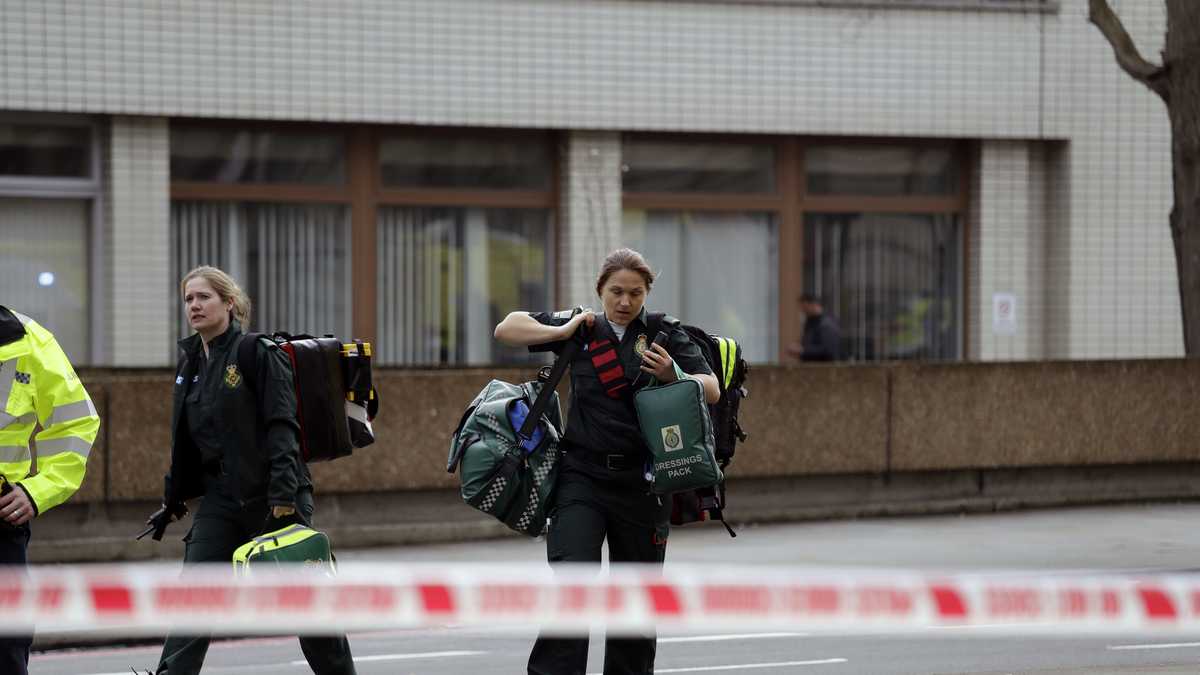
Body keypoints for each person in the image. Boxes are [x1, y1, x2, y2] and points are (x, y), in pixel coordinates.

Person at [494, 248, 719, 675]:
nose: (625, 301)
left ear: (647, 293)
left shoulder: (664, 333)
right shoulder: (582, 326)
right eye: (616, 291)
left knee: (635, 601)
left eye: (635, 293)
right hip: (582, 476)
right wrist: (562, 330)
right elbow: (507, 328)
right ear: (600, 290)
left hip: (644, 482)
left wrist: (674, 375)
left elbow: (711, 388)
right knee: (573, 584)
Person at [151, 266, 356, 675]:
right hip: (221, 499)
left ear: (229, 302)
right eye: (188, 299)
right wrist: (173, 498)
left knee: (308, 607)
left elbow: (283, 426)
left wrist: (283, 497)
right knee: (194, 595)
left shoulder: (256, 352)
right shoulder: (190, 363)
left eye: (204, 297)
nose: (194, 306)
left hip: (274, 495)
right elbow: (186, 439)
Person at [0, 306, 99, 675]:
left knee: (6, 641)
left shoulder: (27, 338)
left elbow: (75, 421)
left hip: (1, 516)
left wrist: (38, 490)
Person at [787, 292, 842, 362]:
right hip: (810, 365)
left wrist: (803, 350)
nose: (803, 311)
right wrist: (799, 346)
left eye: (805, 308)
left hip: (824, 366)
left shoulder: (827, 323)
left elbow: (828, 350)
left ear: (813, 304)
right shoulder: (810, 322)